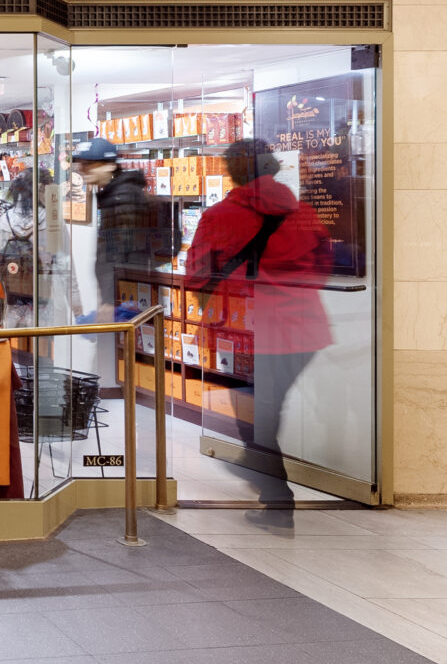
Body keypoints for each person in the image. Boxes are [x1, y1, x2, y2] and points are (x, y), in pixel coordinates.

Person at [185, 138, 332, 493]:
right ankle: (262, 472)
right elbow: (323, 267)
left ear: (232, 172)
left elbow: (195, 276)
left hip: (247, 330)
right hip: (304, 329)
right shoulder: (304, 213)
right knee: (266, 409)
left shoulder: (219, 217)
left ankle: (276, 497)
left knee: (257, 414)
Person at [70, 136, 173, 320]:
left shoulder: (122, 197)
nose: (83, 171)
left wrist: (111, 301)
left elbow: (118, 254)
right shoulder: (114, 196)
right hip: (128, 294)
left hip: (129, 297)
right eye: (81, 165)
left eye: (89, 165)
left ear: (109, 166)